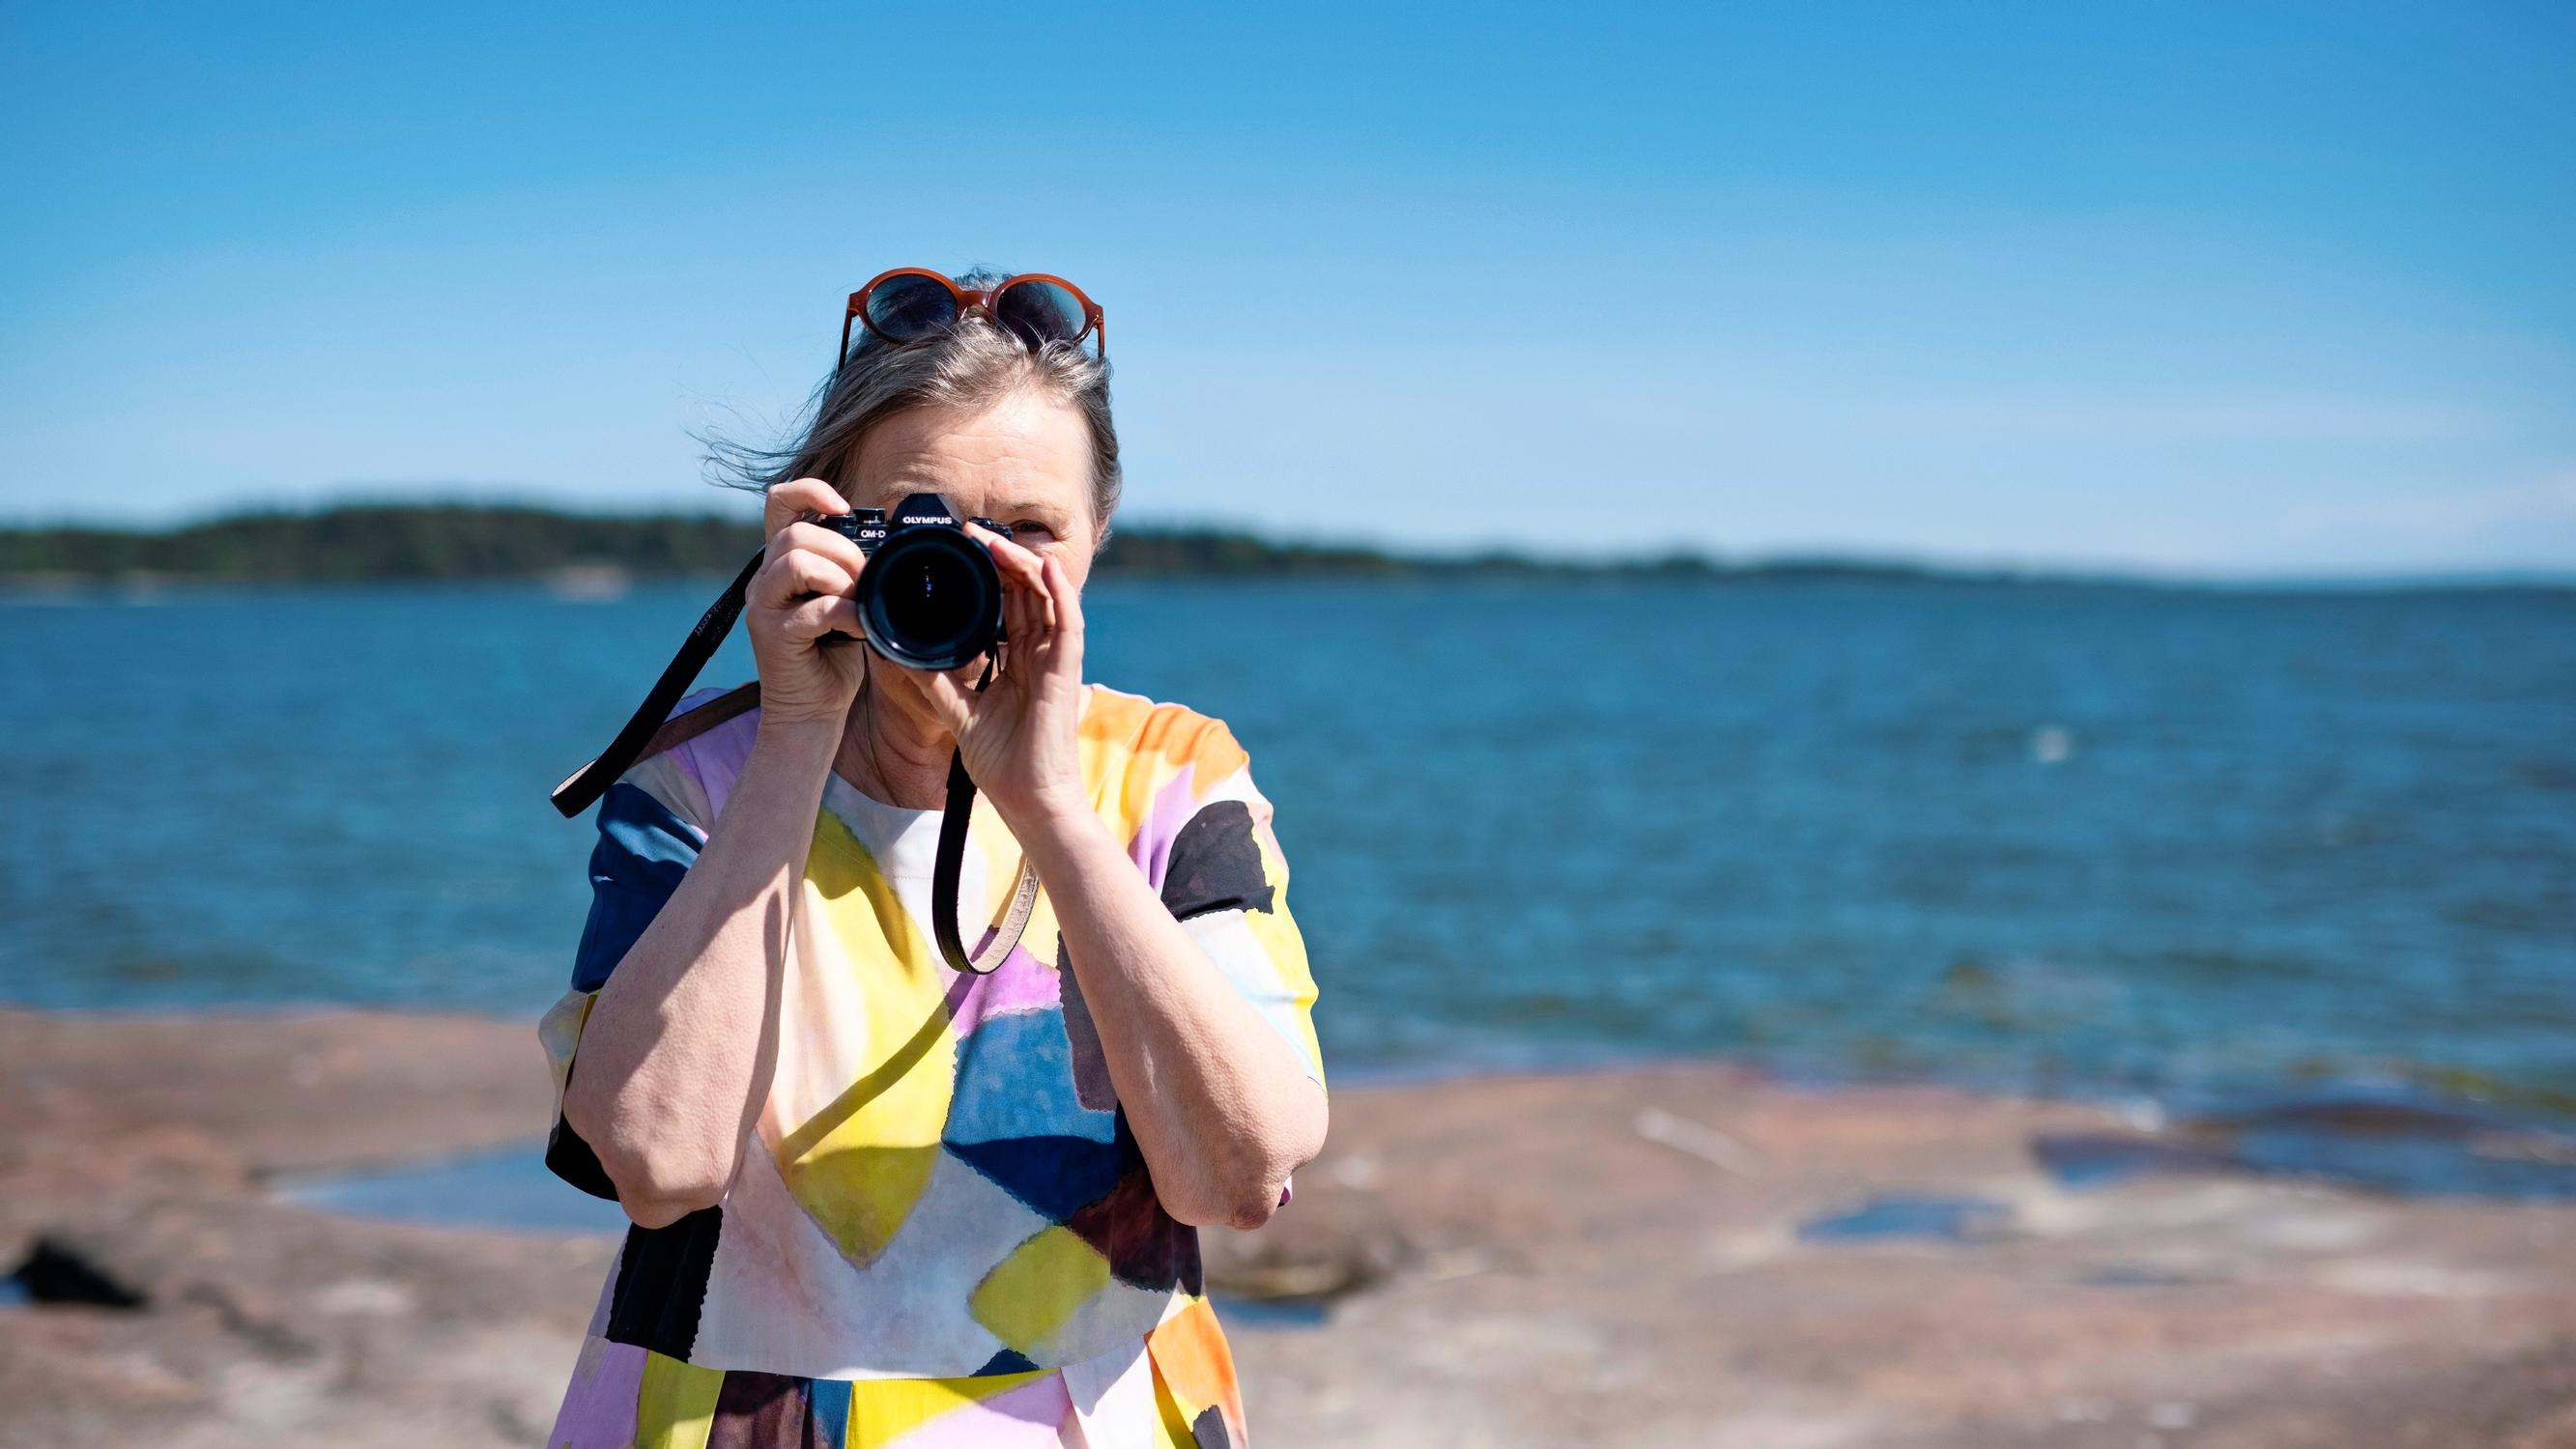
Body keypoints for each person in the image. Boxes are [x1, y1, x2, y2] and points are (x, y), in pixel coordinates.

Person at [535, 268, 1329, 1448]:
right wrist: (796, 737)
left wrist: (1051, 804)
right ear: (818, 528)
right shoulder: (696, 783)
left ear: (1097, 538)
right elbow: (657, 1162)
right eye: (921, 523)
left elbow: (1238, 1177)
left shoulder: (1169, 779)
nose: (972, 571)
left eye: (1029, 534)